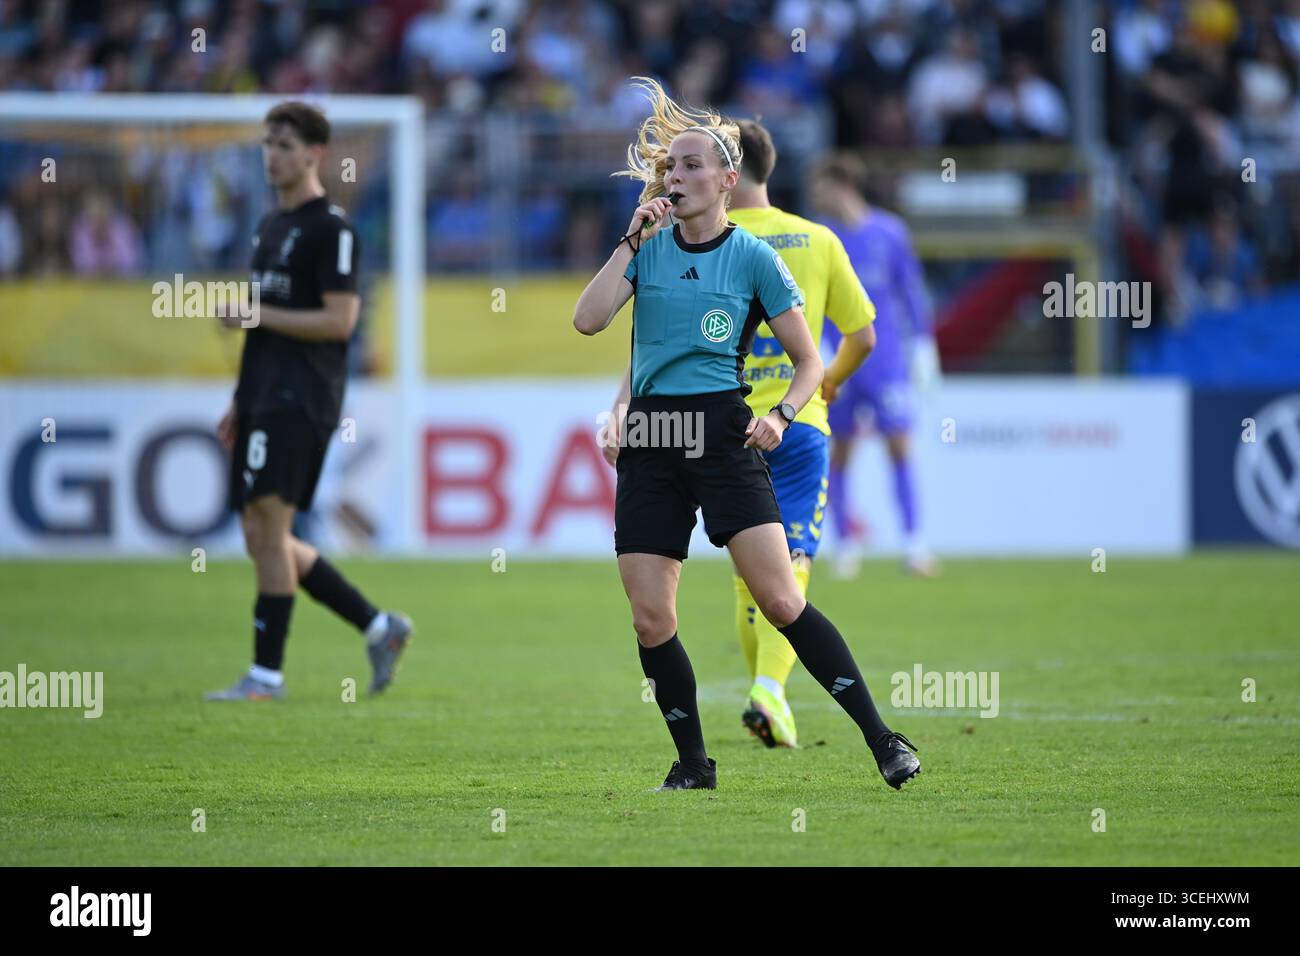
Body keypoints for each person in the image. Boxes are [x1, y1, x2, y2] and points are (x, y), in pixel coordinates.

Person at [575, 78, 920, 791]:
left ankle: (883, 739)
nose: (676, 176)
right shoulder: (647, 248)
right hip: (651, 439)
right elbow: (589, 320)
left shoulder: (755, 258)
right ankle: (694, 763)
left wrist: (783, 415)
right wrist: (627, 241)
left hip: (723, 432)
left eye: (692, 165)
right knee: (650, 618)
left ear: (728, 180)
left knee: (781, 601)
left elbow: (810, 360)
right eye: (671, 167)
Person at [208, 101, 412, 701]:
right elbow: (262, 330)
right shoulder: (269, 228)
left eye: (283, 145)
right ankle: (379, 626)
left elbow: (340, 321)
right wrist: (240, 399)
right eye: (267, 144)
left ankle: (266, 677)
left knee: (268, 528)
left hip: (304, 397)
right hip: (264, 395)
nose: (271, 155)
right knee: (259, 531)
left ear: (313, 154)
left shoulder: (333, 230)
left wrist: (257, 312)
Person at [726, 119, 877, 749]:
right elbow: (863, 335)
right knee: (792, 563)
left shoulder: (709, 239)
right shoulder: (817, 239)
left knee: (747, 576)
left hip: (727, 429)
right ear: (772, 163)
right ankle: (769, 691)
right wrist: (830, 380)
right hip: (795, 425)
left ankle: (768, 694)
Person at [811, 153, 941, 578]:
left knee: (899, 446)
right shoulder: (821, 237)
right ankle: (845, 546)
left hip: (886, 362)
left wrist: (923, 347)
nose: (815, 194)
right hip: (840, 364)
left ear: (840, 185)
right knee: (841, 452)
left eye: (821, 186)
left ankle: (915, 544)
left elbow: (911, 292)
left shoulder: (890, 232)